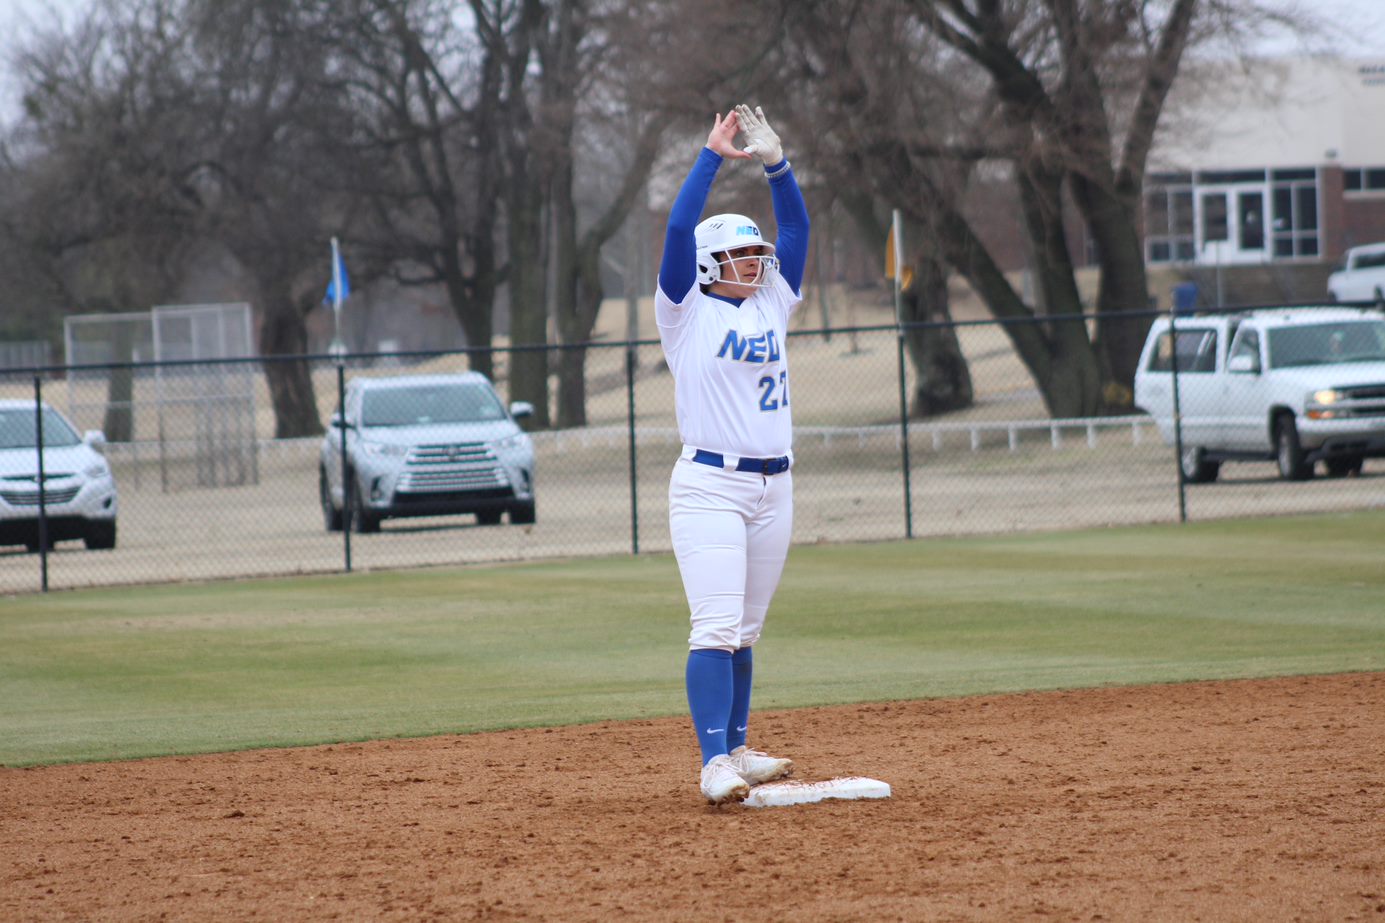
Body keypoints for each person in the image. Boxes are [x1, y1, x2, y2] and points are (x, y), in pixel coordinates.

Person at [655, 105, 810, 804]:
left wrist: (778, 167)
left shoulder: (770, 301)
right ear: (712, 262)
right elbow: (678, 228)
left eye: (758, 254)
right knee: (715, 625)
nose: (758, 261)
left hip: (773, 487)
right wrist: (711, 156)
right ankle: (712, 762)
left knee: (744, 630)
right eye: (745, 254)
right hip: (709, 486)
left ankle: (739, 748)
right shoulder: (685, 311)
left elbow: (798, 230)